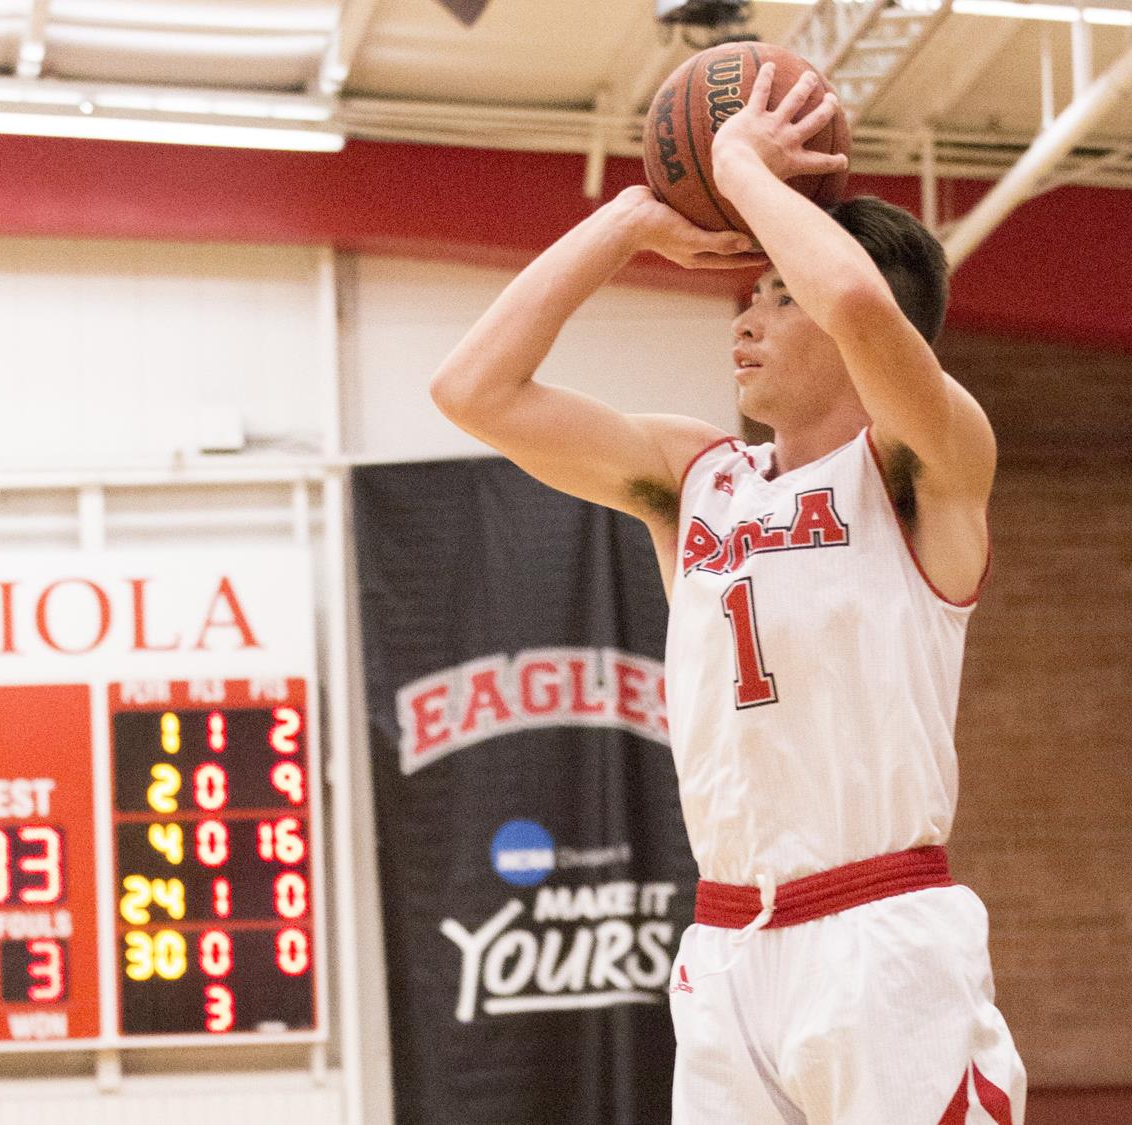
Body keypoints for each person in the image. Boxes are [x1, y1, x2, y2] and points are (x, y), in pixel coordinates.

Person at [430, 63, 1023, 1125]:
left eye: (777, 297)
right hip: (725, 950)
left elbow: (854, 298)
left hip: (880, 932)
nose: (745, 321)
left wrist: (740, 165)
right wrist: (626, 222)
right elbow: (472, 390)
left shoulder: (926, 459)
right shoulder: (693, 477)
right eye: (748, 297)